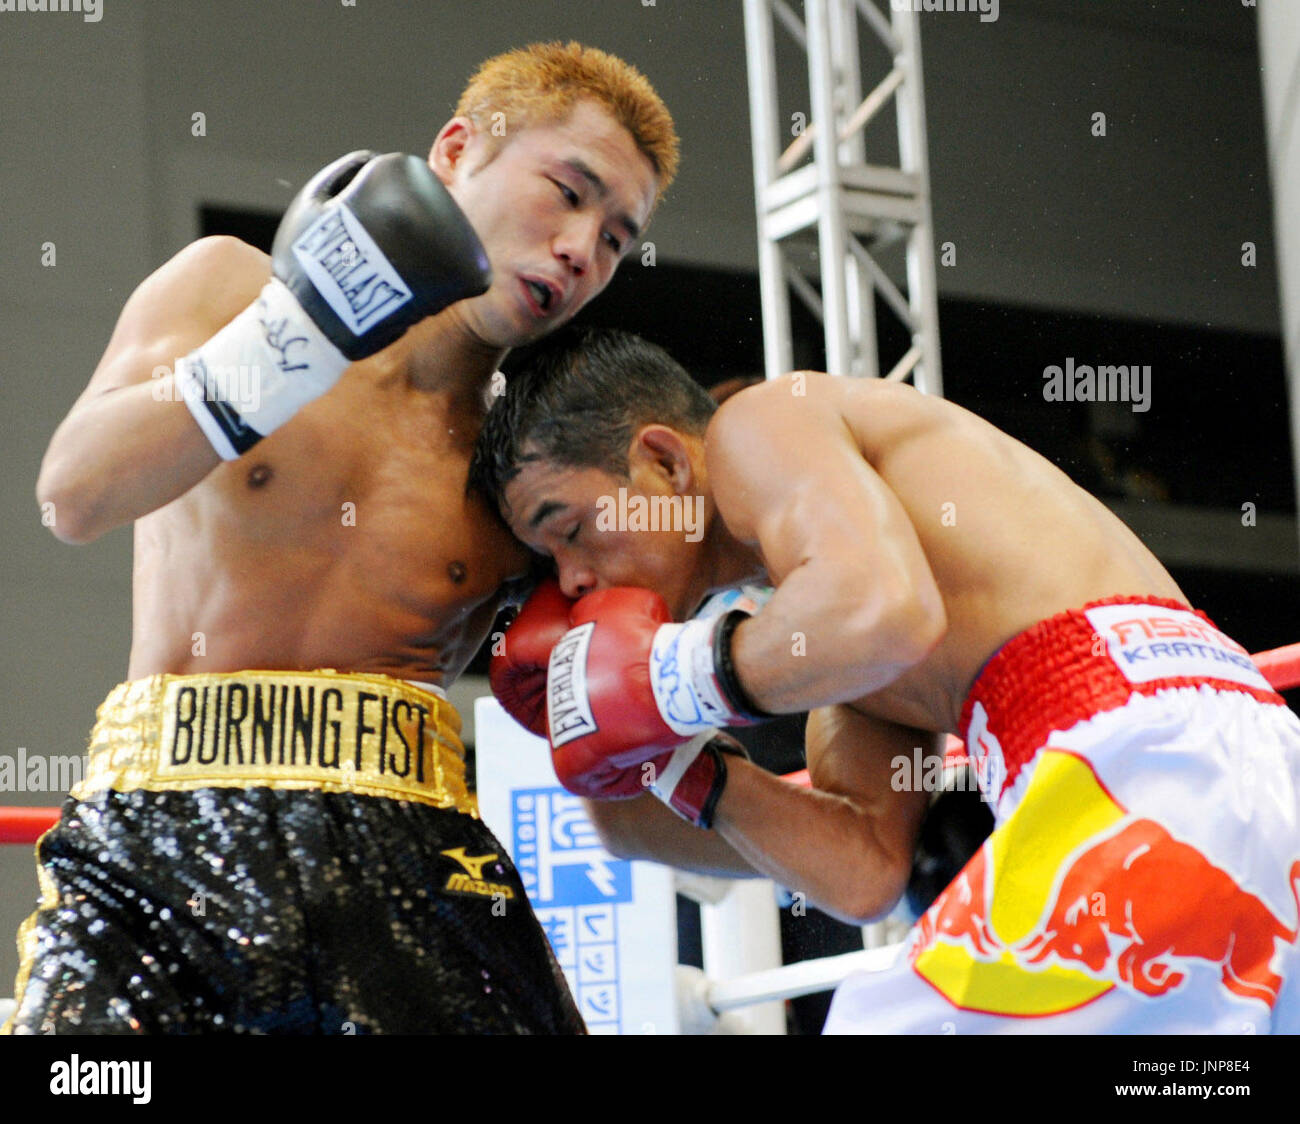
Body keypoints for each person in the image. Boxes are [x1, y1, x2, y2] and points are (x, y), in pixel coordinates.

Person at [6, 44, 677, 1035]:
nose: (583, 249)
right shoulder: (230, 286)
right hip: (160, 836)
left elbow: (652, 614)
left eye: (618, 237)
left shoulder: (532, 461)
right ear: (457, 151)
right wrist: (303, 330)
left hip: (412, 850)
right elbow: (74, 492)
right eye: (567, 192)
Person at [471, 326, 1300, 1033]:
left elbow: (885, 611)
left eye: (569, 529)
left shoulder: (761, 423)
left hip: (1145, 759)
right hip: (1211, 769)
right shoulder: (823, 629)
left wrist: (663, 681)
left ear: (662, 461)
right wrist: (660, 759)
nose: (572, 580)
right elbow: (860, 868)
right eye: (549, 567)